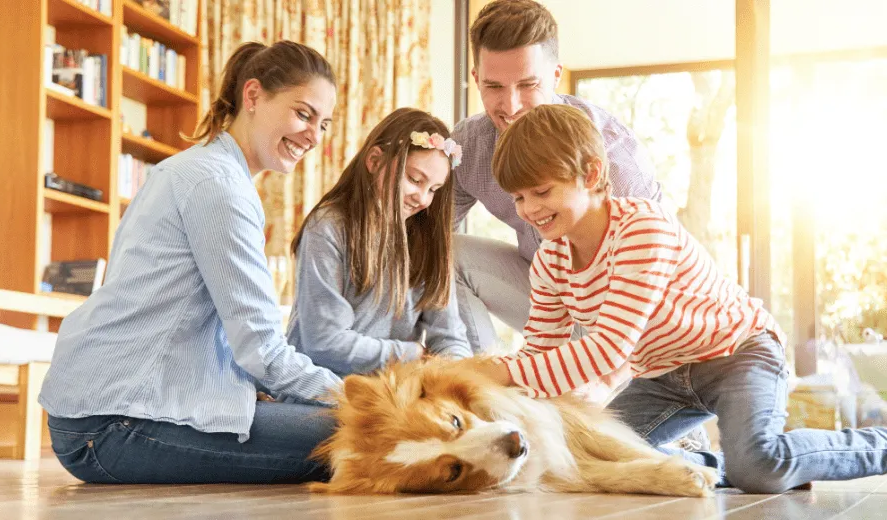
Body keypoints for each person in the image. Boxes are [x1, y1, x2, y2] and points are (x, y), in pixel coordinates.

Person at [475, 103, 887, 494]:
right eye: (519, 198)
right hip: (662, 377)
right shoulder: (551, 261)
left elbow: (608, 348)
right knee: (591, 459)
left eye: (541, 191)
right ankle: (727, 466)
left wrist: (502, 372)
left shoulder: (641, 227)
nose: (529, 209)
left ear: (591, 172)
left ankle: (859, 448)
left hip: (737, 351)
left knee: (758, 464)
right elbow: (539, 351)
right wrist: (503, 389)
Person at [39, 41, 342, 484]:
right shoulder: (219, 186)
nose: (314, 136)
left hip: (94, 416)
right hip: (112, 426)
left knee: (343, 423)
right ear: (253, 96)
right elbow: (261, 348)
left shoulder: (194, 170)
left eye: (324, 124)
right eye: (303, 114)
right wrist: (361, 396)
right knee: (365, 431)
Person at [452, 0, 662, 353]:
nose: (512, 105)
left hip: (620, 319)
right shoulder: (468, 145)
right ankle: (479, 383)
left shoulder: (615, 159)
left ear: (555, 75)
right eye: (494, 87)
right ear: (476, 79)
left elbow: (656, 274)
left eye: (527, 84)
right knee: (442, 252)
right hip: (542, 297)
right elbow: (420, 234)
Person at [286, 108, 471, 375]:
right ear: (374, 161)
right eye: (414, 180)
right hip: (319, 390)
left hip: (390, 391)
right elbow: (324, 342)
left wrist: (454, 382)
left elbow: (450, 338)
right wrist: (412, 354)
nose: (422, 198)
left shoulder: (427, 242)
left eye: (433, 189)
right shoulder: (327, 228)